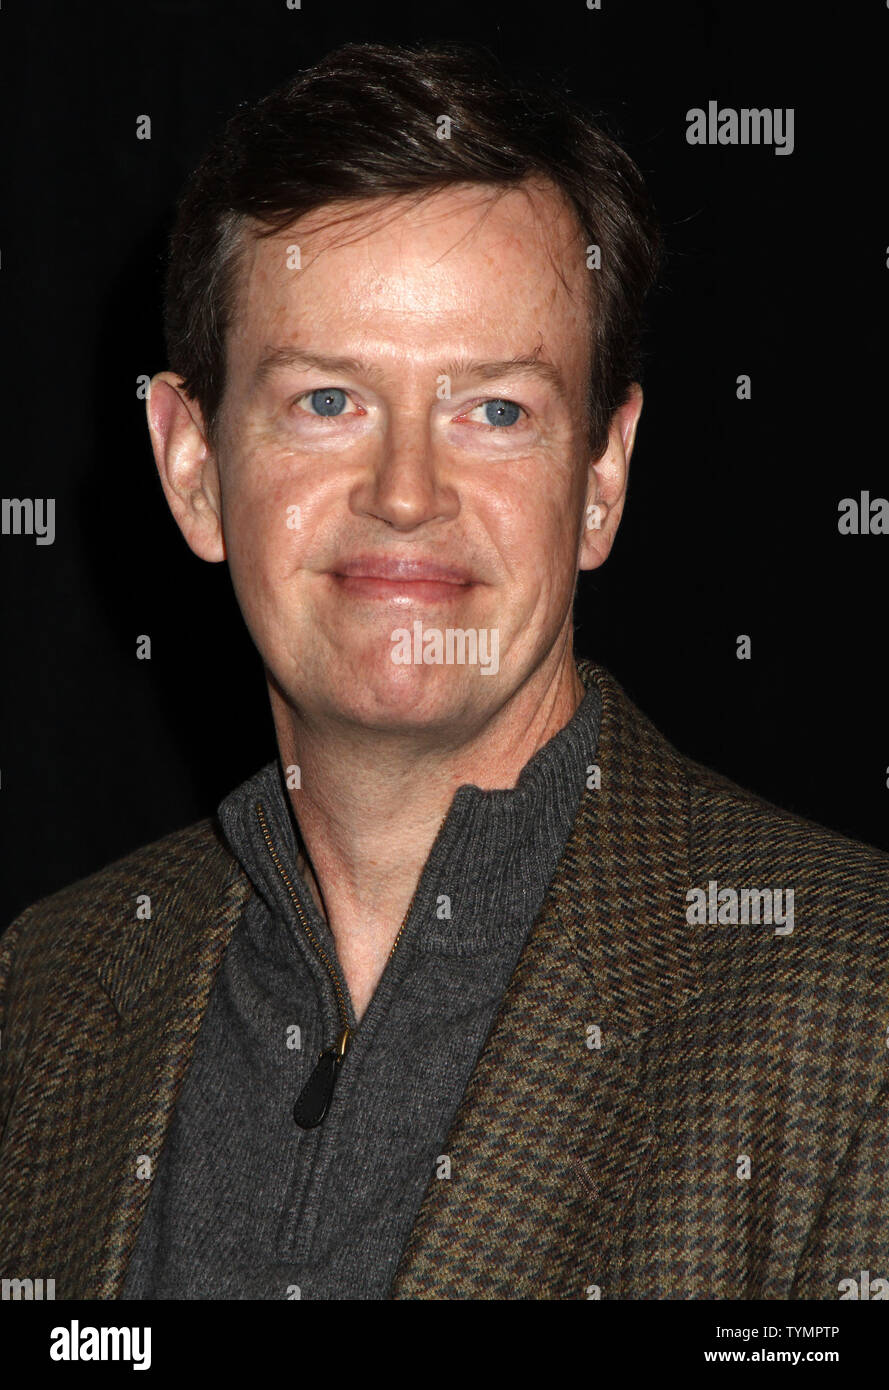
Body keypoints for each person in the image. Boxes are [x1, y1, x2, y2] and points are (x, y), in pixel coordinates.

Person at [2, 41, 887, 1303]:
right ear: (191, 465)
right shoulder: (46, 992)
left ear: (601, 479)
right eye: (325, 402)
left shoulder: (854, 1009)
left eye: (495, 411)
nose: (406, 494)